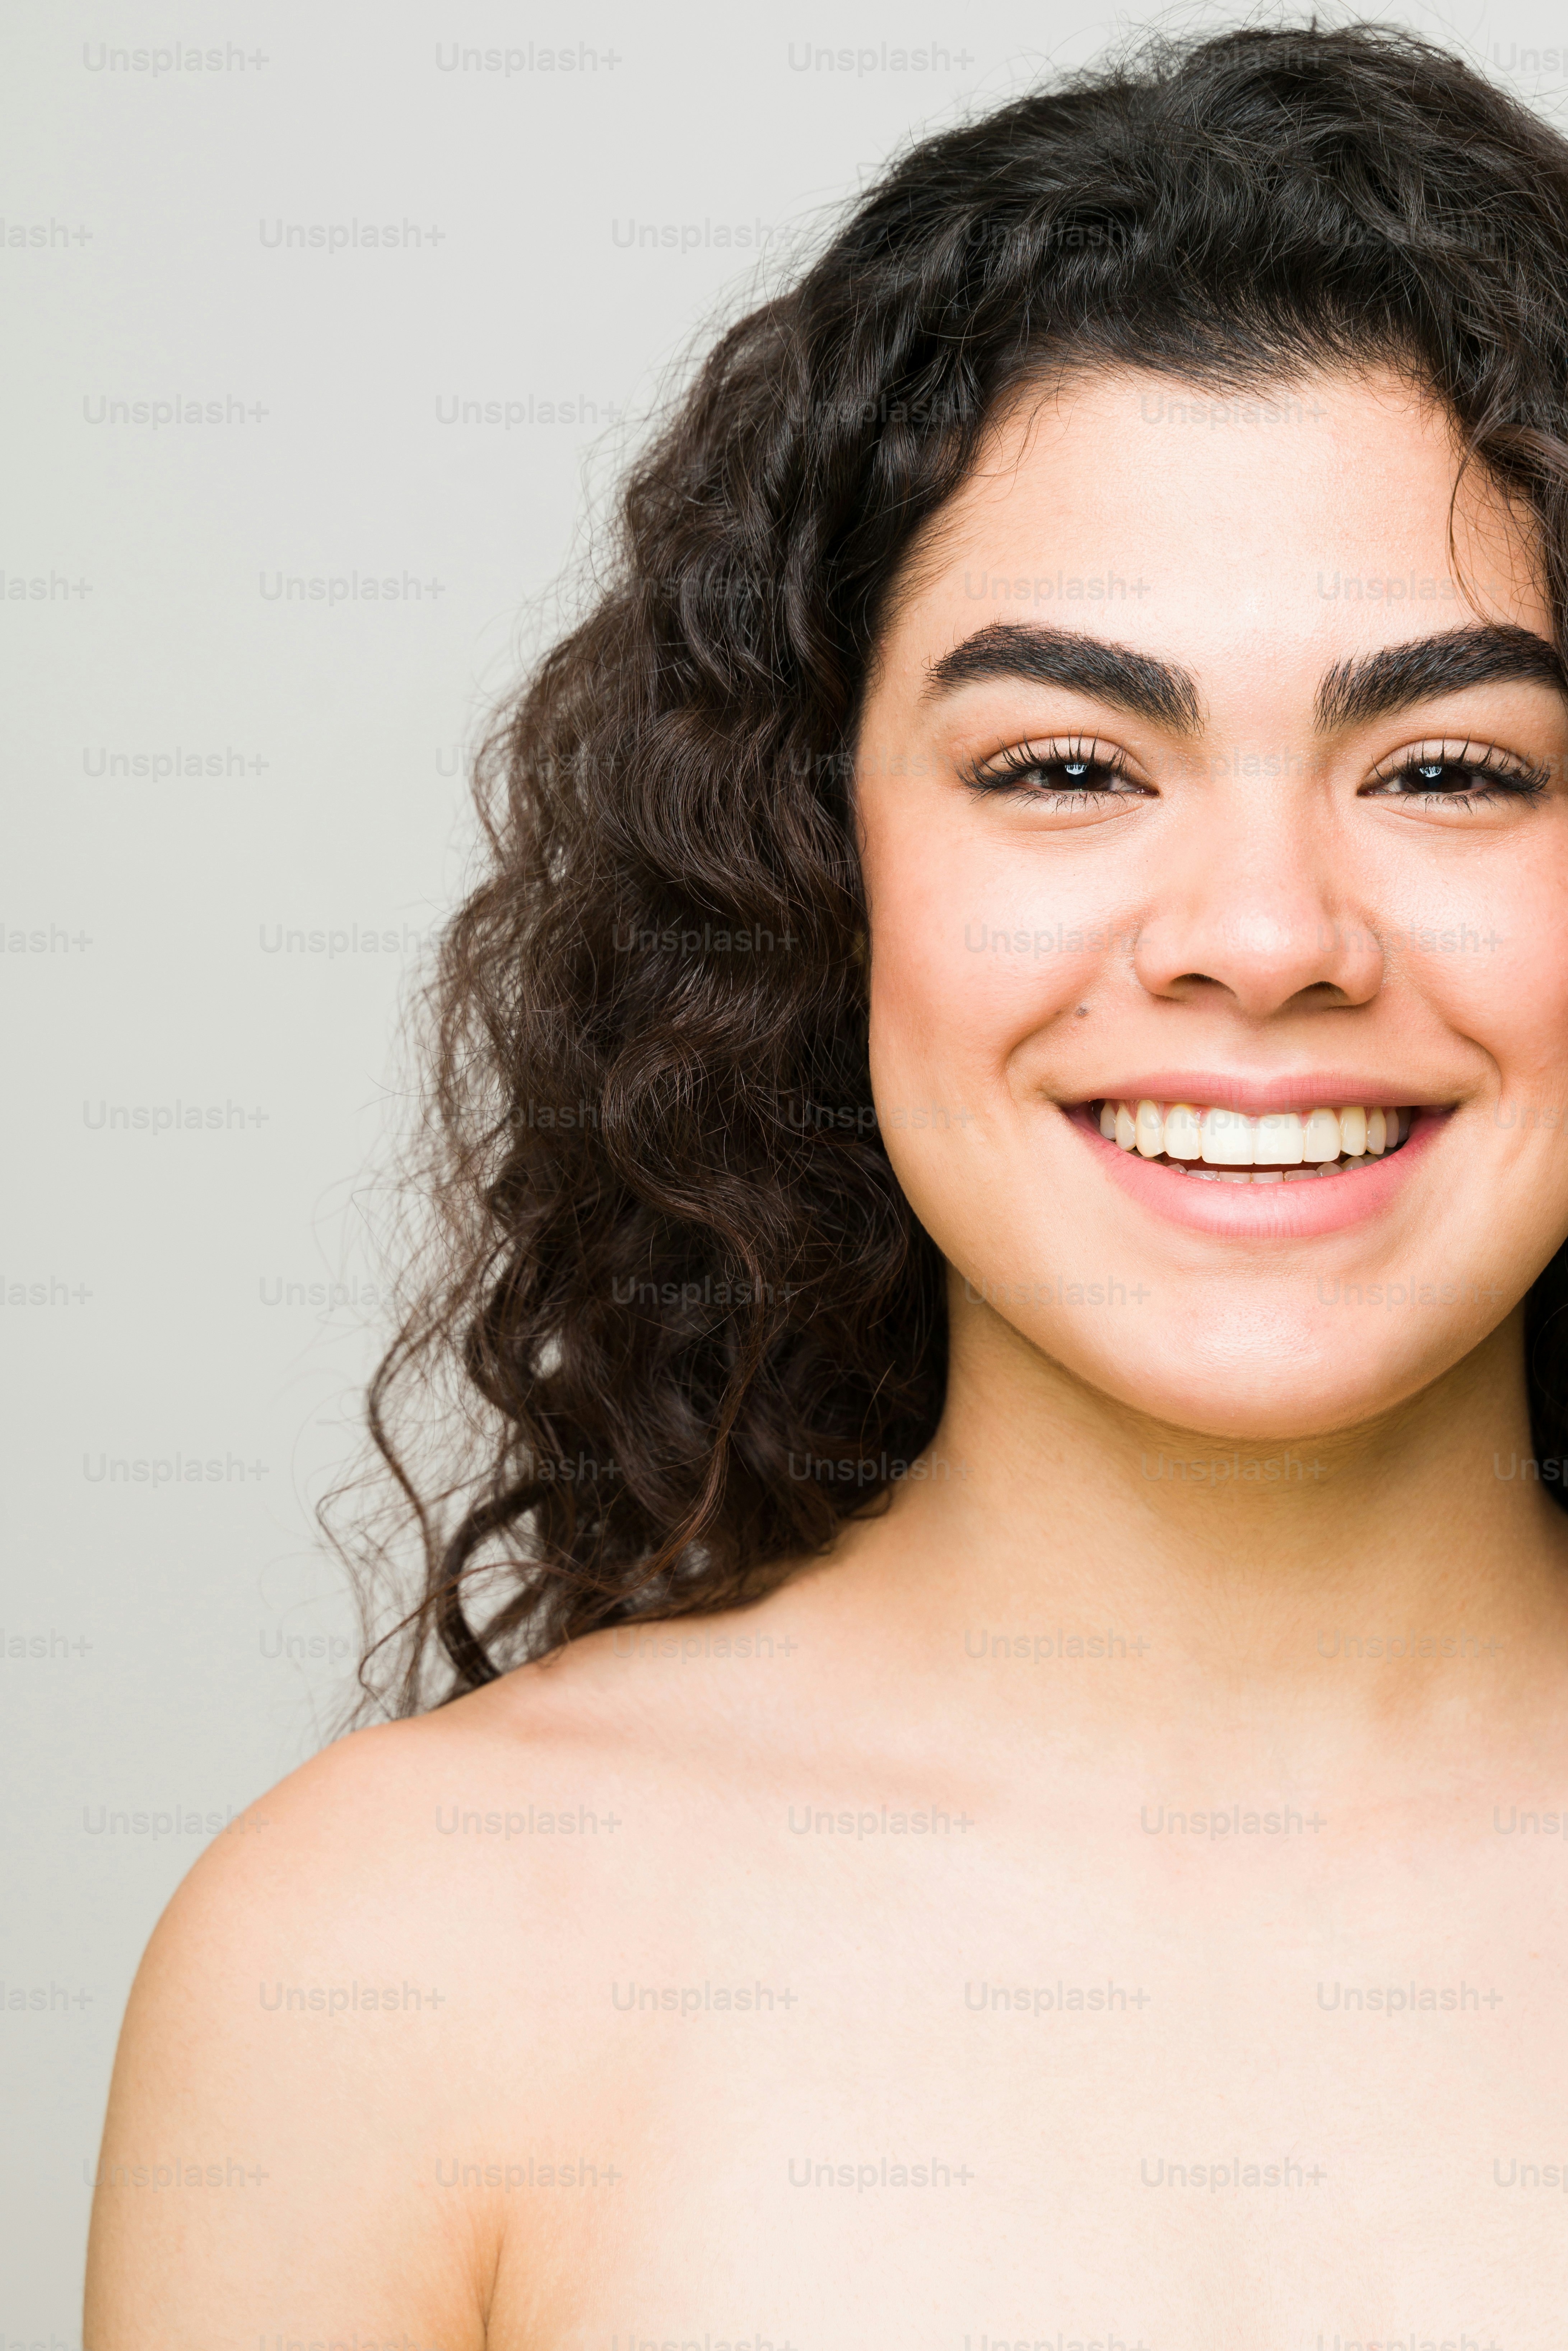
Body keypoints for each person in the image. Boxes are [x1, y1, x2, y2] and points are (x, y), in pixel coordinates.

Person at [85, 23, 1568, 2340]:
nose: (1268, 938)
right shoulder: (379, 1980)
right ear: (819, 864)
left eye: (1459, 766)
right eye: (1070, 763)